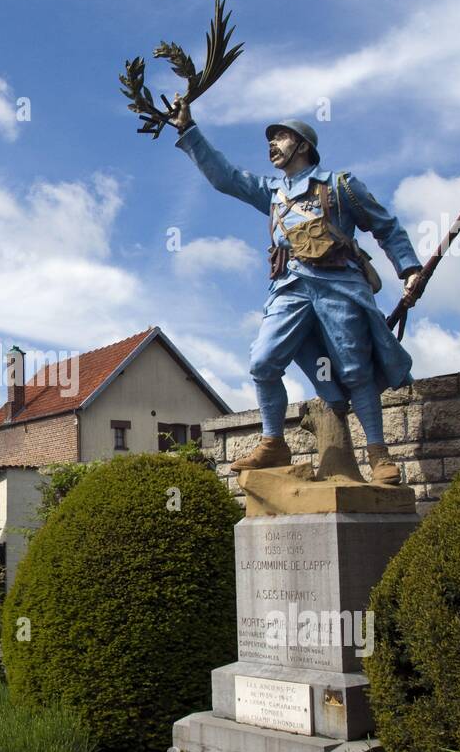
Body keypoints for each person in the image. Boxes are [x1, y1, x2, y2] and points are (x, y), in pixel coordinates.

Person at [167, 97, 424, 484]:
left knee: (356, 370)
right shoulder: (271, 193)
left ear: (303, 146)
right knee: (263, 362)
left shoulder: (341, 185)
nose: (272, 145)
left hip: (339, 284)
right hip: (290, 287)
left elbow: (385, 226)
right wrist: (189, 129)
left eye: (282, 138)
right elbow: (225, 177)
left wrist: (409, 267)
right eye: (271, 140)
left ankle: (378, 454)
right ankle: (274, 442)